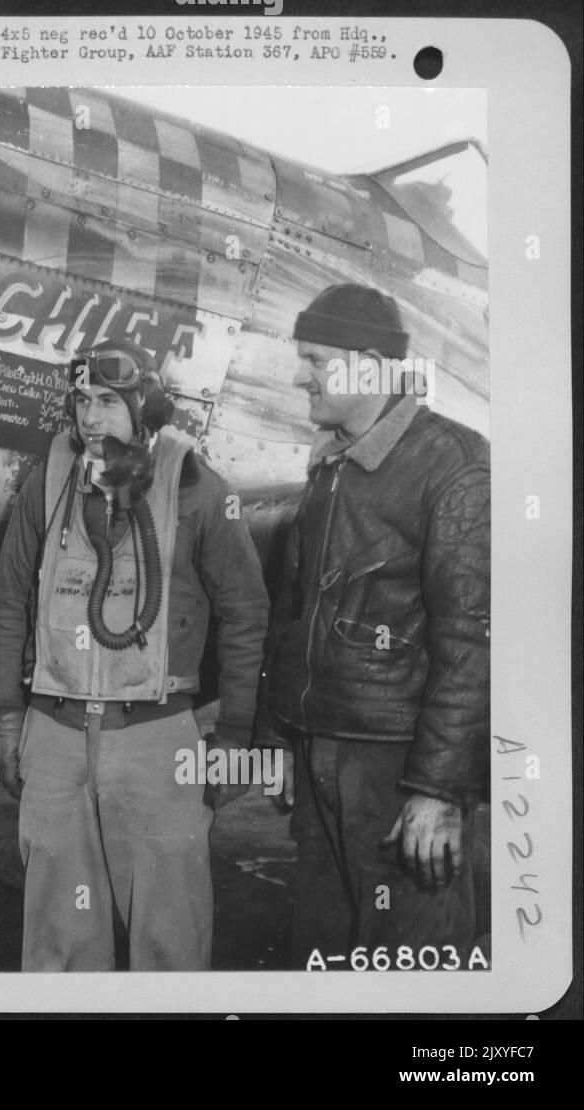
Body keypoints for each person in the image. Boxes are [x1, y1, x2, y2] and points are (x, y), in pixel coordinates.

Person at [0, 339, 269, 971]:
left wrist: (236, 735)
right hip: (54, 735)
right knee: (58, 945)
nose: (90, 419)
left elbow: (247, 612)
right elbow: (10, 605)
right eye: (82, 402)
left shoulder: (194, 484)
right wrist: (3, 719)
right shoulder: (46, 480)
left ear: (147, 407)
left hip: (156, 736)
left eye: (109, 402)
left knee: (170, 943)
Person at [259, 283, 491, 966]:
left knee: (415, 971)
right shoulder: (329, 459)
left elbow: (470, 642)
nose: (300, 376)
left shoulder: (453, 464)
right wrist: (277, 736)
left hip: (396, 767)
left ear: (367, 365)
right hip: (323, 752)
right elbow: (293, 610)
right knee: (326, 959)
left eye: (316, 360)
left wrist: (437, 793)